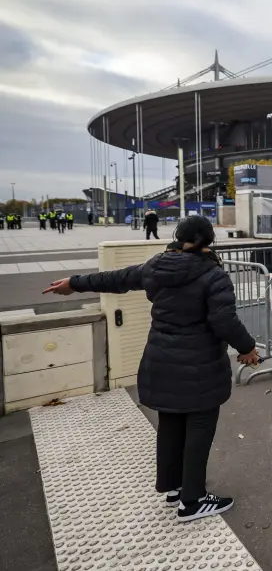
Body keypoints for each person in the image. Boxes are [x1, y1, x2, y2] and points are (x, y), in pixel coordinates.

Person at [43, 217, 258, 523]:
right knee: (199, 428)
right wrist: (247, 348)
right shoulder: (213, 275)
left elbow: (116, 279)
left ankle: (174, 488)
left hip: (160, 361)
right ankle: (193, 502)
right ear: (209, 240)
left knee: (170, 424)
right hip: (199, 368)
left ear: (178, 236)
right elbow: (224, 321)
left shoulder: (156, 266)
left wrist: (74, 283)